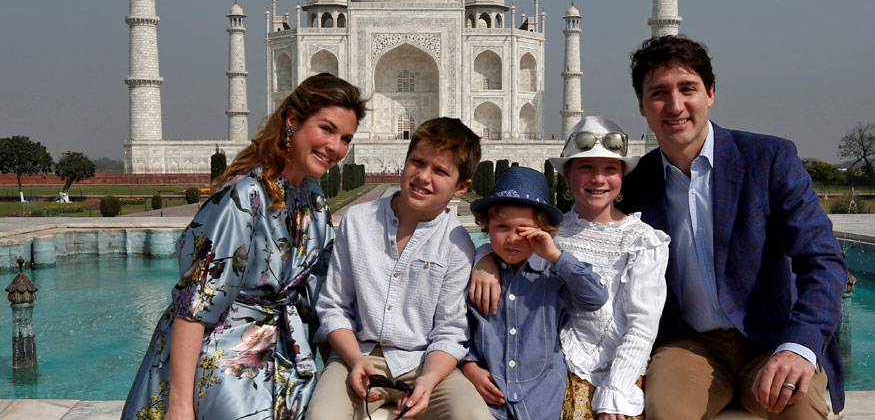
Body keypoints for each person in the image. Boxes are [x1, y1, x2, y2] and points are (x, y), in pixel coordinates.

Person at [621, 35, 847, 419]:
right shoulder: (637, 185)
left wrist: (799, 345)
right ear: (643, 105)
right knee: (664, 413)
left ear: (710, 93)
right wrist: (492, 258)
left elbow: (823, 259)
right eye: (659, 93)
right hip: (691, 347)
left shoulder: (766, 159)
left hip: (770, 341)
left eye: (687, 89)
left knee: (801, 411)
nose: (675, 105)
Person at [122, 73, 367, 420]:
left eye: (345, 138)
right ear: (292, 121)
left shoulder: (312, 197)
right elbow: (195, 304)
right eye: (326, 129)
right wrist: (179, 405)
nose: (336, 147)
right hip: (223, 354)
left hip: (282, 350)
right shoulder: (246, 195)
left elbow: (319, 295)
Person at [471, 117, 669, 420]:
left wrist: (615, 391)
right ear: (567, 173)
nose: (598, 179)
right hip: (557, 375)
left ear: (623, 176)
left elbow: (642, 326)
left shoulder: (643, 240)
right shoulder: (550, 232)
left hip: (620, 374)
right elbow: (509, 240)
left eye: (610, 169)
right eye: (586, 167)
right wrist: (484, 257)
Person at [307, 117, 493, 420]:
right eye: (417, 162)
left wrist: (429, 379)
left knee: (474, 416)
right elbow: (333, 306)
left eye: (440, 171)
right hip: (359, 355)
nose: (423, 176)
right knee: (321, 416)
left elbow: (450, 330)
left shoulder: (457, 243)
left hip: (425, 363)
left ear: (462, 187)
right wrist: (354, 360)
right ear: (404, 162)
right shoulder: (358, 222)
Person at [461, 166, 609, 420]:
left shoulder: (552, 275)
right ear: (486, 225)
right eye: (502, 227)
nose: (512, 239)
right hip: (491, 401)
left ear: (542, 231)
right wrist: (469, 366)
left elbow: (595, 297)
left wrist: (555, 256)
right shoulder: (479, 277)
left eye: (524, 230)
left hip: (541, 399)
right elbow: (462, 329)